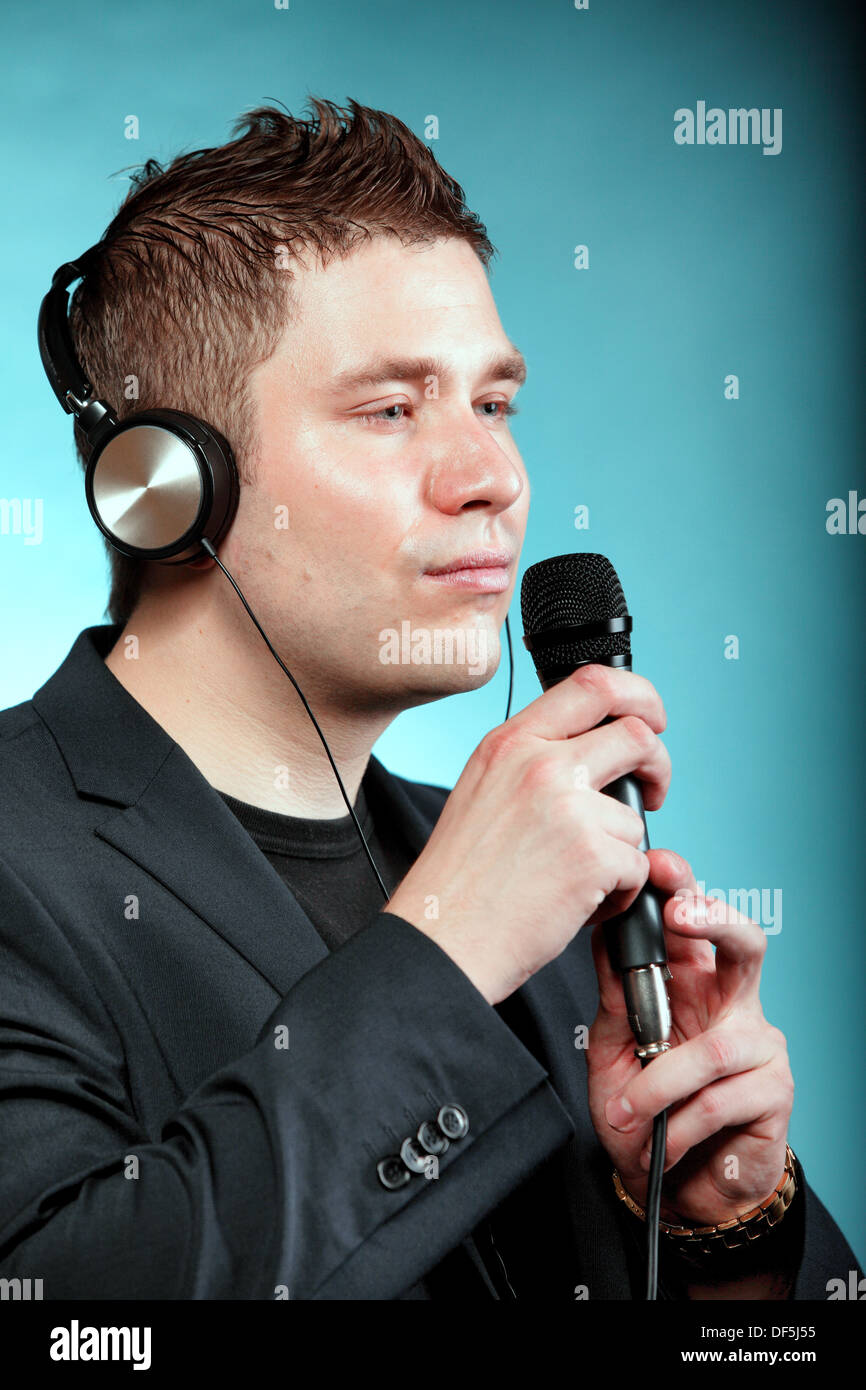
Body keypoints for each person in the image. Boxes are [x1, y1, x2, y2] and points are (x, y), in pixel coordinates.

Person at [0, 98, 860, 1301]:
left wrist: (725, 1233)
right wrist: (449, 948)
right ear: (167, 485)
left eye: (492, 404)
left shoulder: (532, 876)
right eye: (391, 409)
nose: (492, 476)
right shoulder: (23, 858)